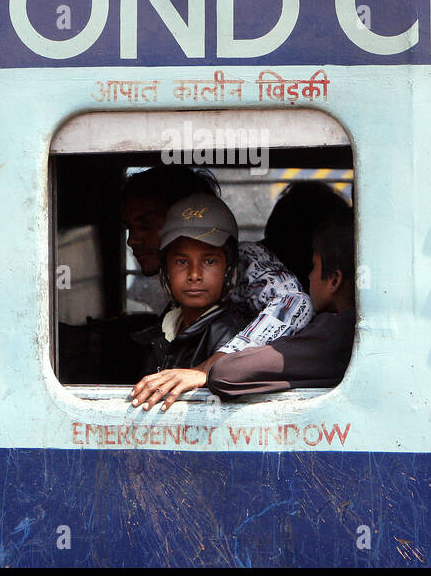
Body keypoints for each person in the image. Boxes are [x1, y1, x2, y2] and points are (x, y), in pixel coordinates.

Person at [120, 166, 313, 354]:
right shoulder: (178, 300)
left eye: (144, 224)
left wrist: (218, 363)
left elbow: (294, 303)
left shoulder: (243, 259)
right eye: (130, 227)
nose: (131, 240)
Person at [207, 209, 356, 398]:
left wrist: (206, 369)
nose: (309, 276)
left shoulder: (335, 335)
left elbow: (225, 373)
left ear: (334, 280)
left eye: (314, 267)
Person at [129, 194, 252, 410]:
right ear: (166, 267)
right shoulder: (166, 328)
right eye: (182, 261)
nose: (194, 274)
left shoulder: (230, 332)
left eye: (209, 261)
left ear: (228, 267)